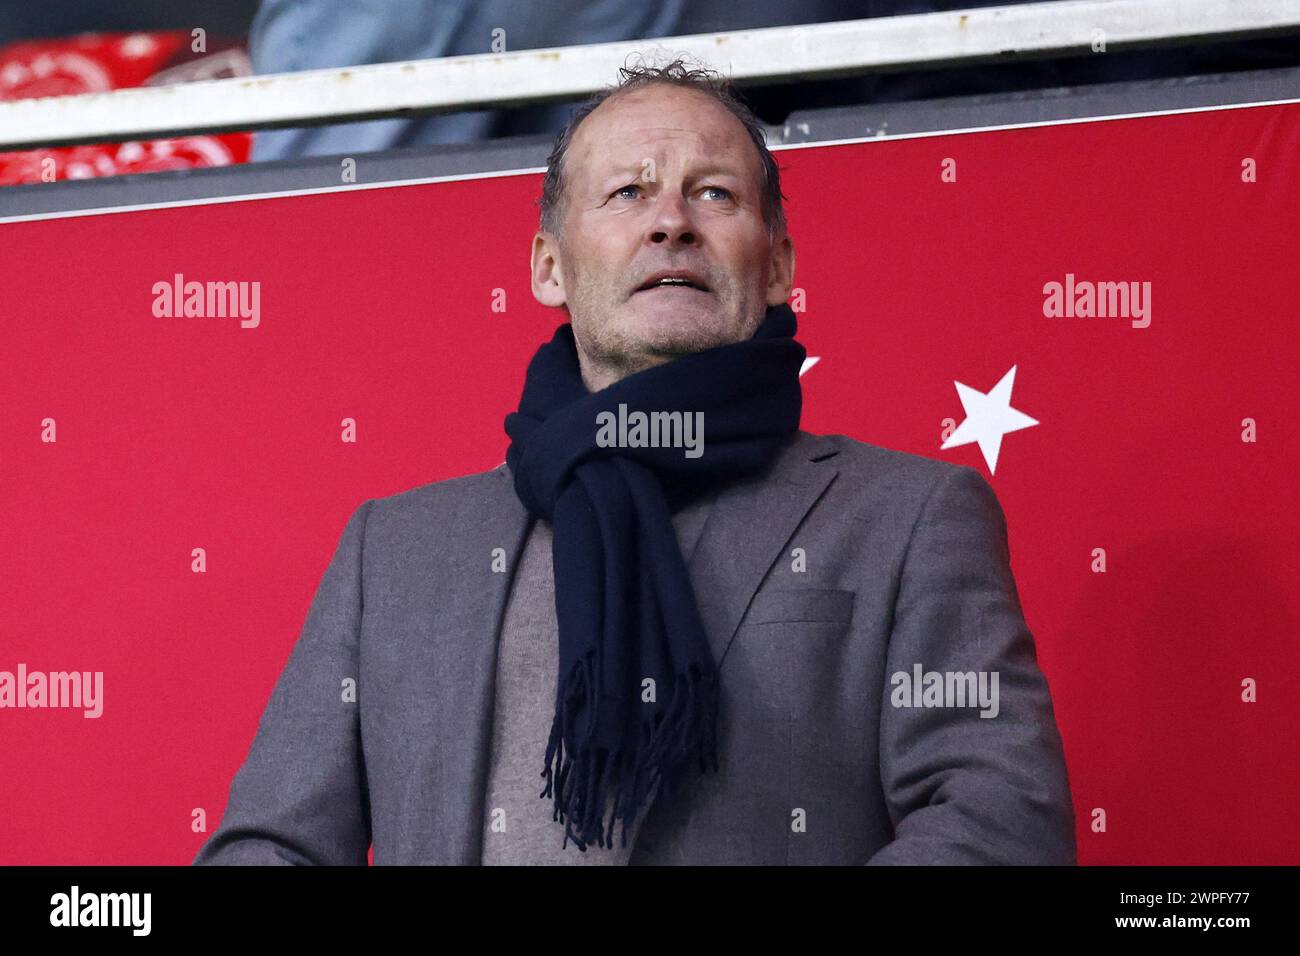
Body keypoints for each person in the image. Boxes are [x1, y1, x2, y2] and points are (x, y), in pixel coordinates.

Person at [194, 58, 1076, 865]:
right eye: (626, 193)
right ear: (550, 267)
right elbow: (271, 846)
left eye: (716, 195)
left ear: (778, 267)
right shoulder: (393, 549)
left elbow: (1000, 824)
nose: (670, 223)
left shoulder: (912, 517)